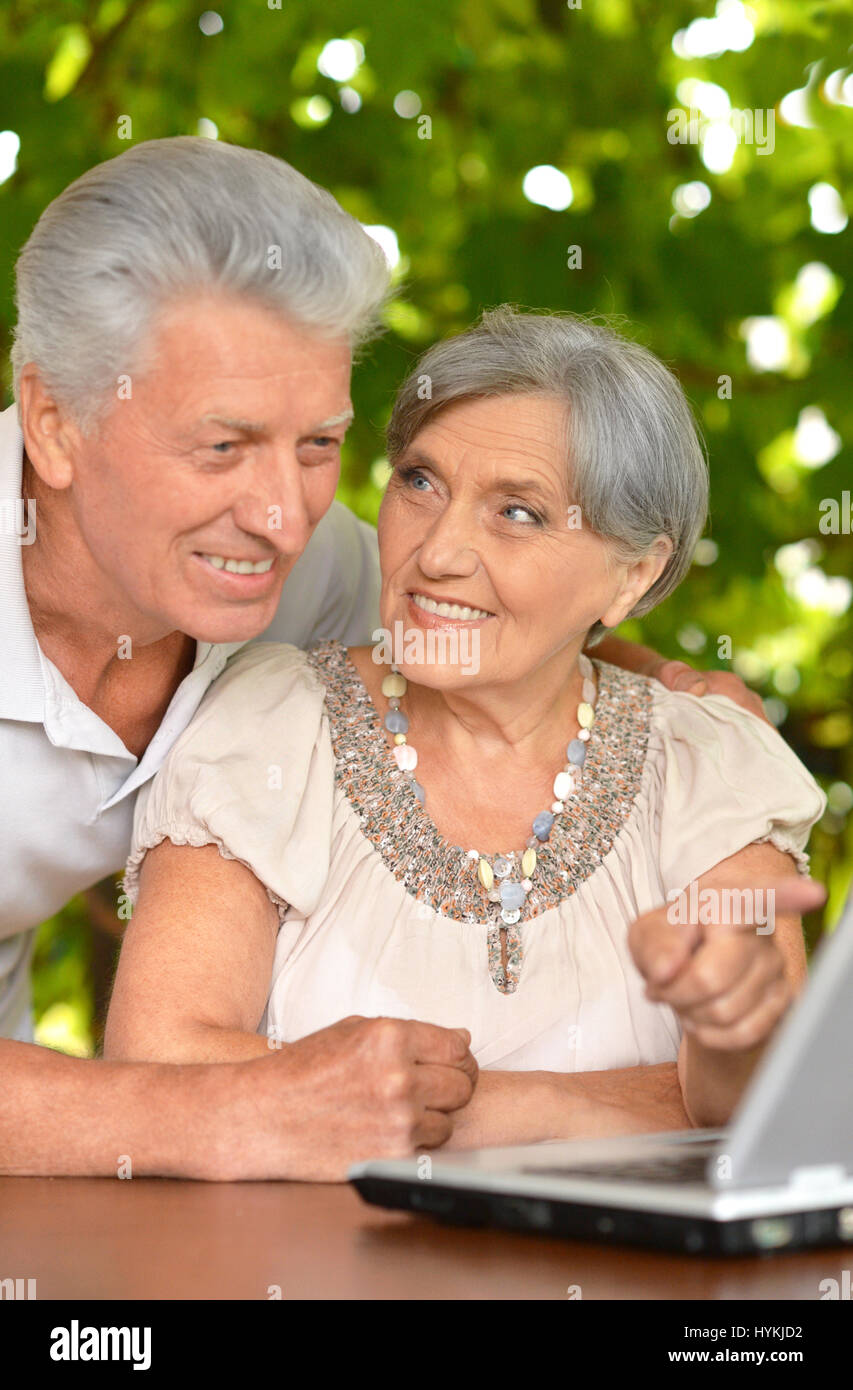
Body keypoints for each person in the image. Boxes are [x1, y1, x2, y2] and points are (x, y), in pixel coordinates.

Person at [0, 136, 766, 1180]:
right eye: (222, 447)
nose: (280, 518)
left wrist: (674, 693)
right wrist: (228, 1112)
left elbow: (504, 619)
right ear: (53, 422)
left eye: (318, 445)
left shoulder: (287, 570)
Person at [104, 308, 826, 1175]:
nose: (436, 551)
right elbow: (157, 1069)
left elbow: (771, 1105)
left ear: (631, 576)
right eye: (419, 481)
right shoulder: (272, 725)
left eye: (517, 512)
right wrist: (585, 1107)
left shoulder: (710, 763)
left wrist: (724, 1041)